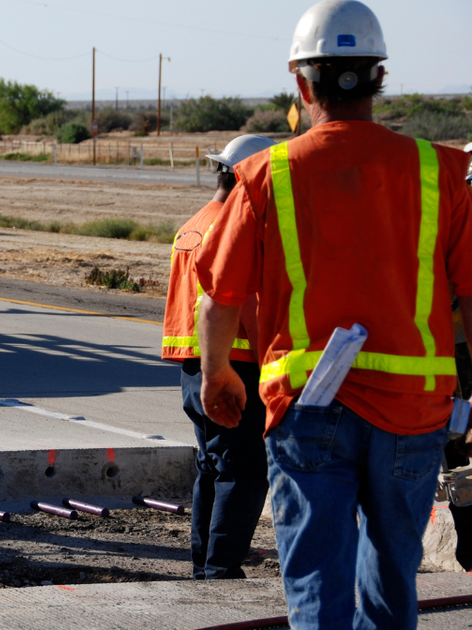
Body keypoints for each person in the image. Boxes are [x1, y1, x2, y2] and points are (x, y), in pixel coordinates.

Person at [194, 1, 472, 627]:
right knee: (393, 578)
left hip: (310, 408)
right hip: (414, 409)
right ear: (379, 78)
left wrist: (216, 375)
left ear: (301, 82)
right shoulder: (440, 171)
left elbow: (219, 298)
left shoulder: (267, 173)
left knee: (318, 582)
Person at [162, 134, 276, 580]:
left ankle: (205, 566)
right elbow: (241, 303)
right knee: (244, 472)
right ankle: (221, 571)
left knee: (212, 468)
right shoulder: (235, 226)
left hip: (196, 368)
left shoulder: (193, 224)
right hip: (237, 368)